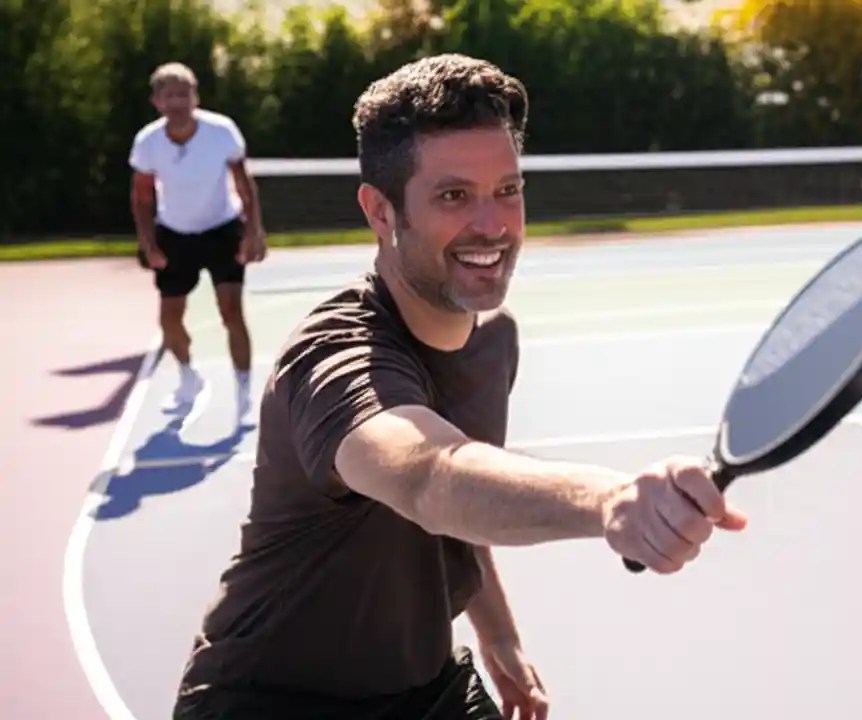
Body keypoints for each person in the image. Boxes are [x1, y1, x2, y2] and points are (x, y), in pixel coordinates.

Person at [171, 54, 749, 719]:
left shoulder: (492, 339)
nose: (493, 224)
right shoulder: (333, 358)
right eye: (453, 196)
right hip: (269, 700)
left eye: (508, 189)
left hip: (423, 687)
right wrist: (609, 499)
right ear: (381, 211)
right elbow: (431, 478)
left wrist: (498, 635)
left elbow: (465, 495)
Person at [129, 62, 267, 421]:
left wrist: (253, 231)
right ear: (157, 101)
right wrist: (148, 243)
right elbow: (142, 196)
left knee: (231, 311)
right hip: (174, 234)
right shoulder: (148, 142)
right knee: (169, 319)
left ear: (195, 97)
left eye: (183, 94)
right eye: (169, 96)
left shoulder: (221, 131)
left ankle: (244, 392)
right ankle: (189, 378)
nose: (177, 102)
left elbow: (244, 184)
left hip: (222, 229)